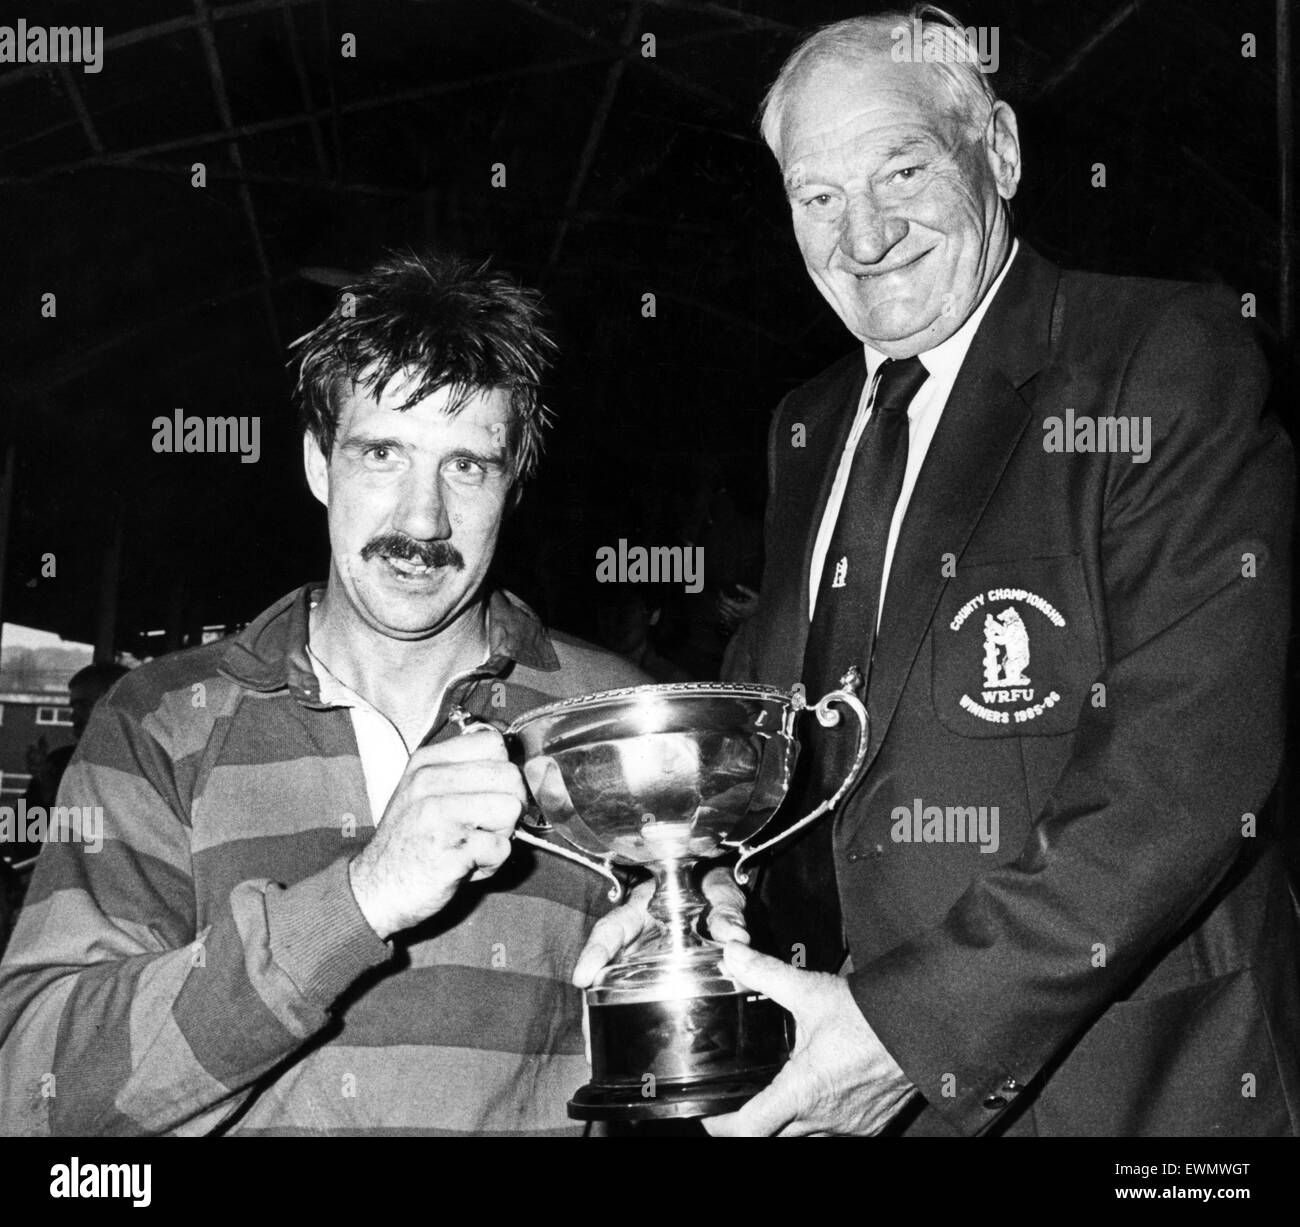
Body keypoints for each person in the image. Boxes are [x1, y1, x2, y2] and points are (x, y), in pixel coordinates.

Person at [581, 6, 1300, 1136]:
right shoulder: (807, 426)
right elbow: (793, 736)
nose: (863, 237)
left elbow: (1187, 767)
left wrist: (912, 1033)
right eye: (818, 197)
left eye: (903, 170)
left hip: (1128, 1101)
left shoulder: (1158, 357)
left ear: (998, 151)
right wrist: (712, 881)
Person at [0, 251, 688, 1136]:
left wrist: (698, 937)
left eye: (467, 466)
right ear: (319, 465)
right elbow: (33, 1089)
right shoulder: (159, 720)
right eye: (382, 454)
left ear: (514, 484)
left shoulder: (616, 715)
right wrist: (357, 901)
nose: (422, 519)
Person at [20, 662, 130, 813]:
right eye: (73, 706)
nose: (72, 716)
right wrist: (44, 789)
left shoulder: (150, 768)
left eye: (83, 705)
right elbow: (21, 826)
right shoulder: (58, 763)